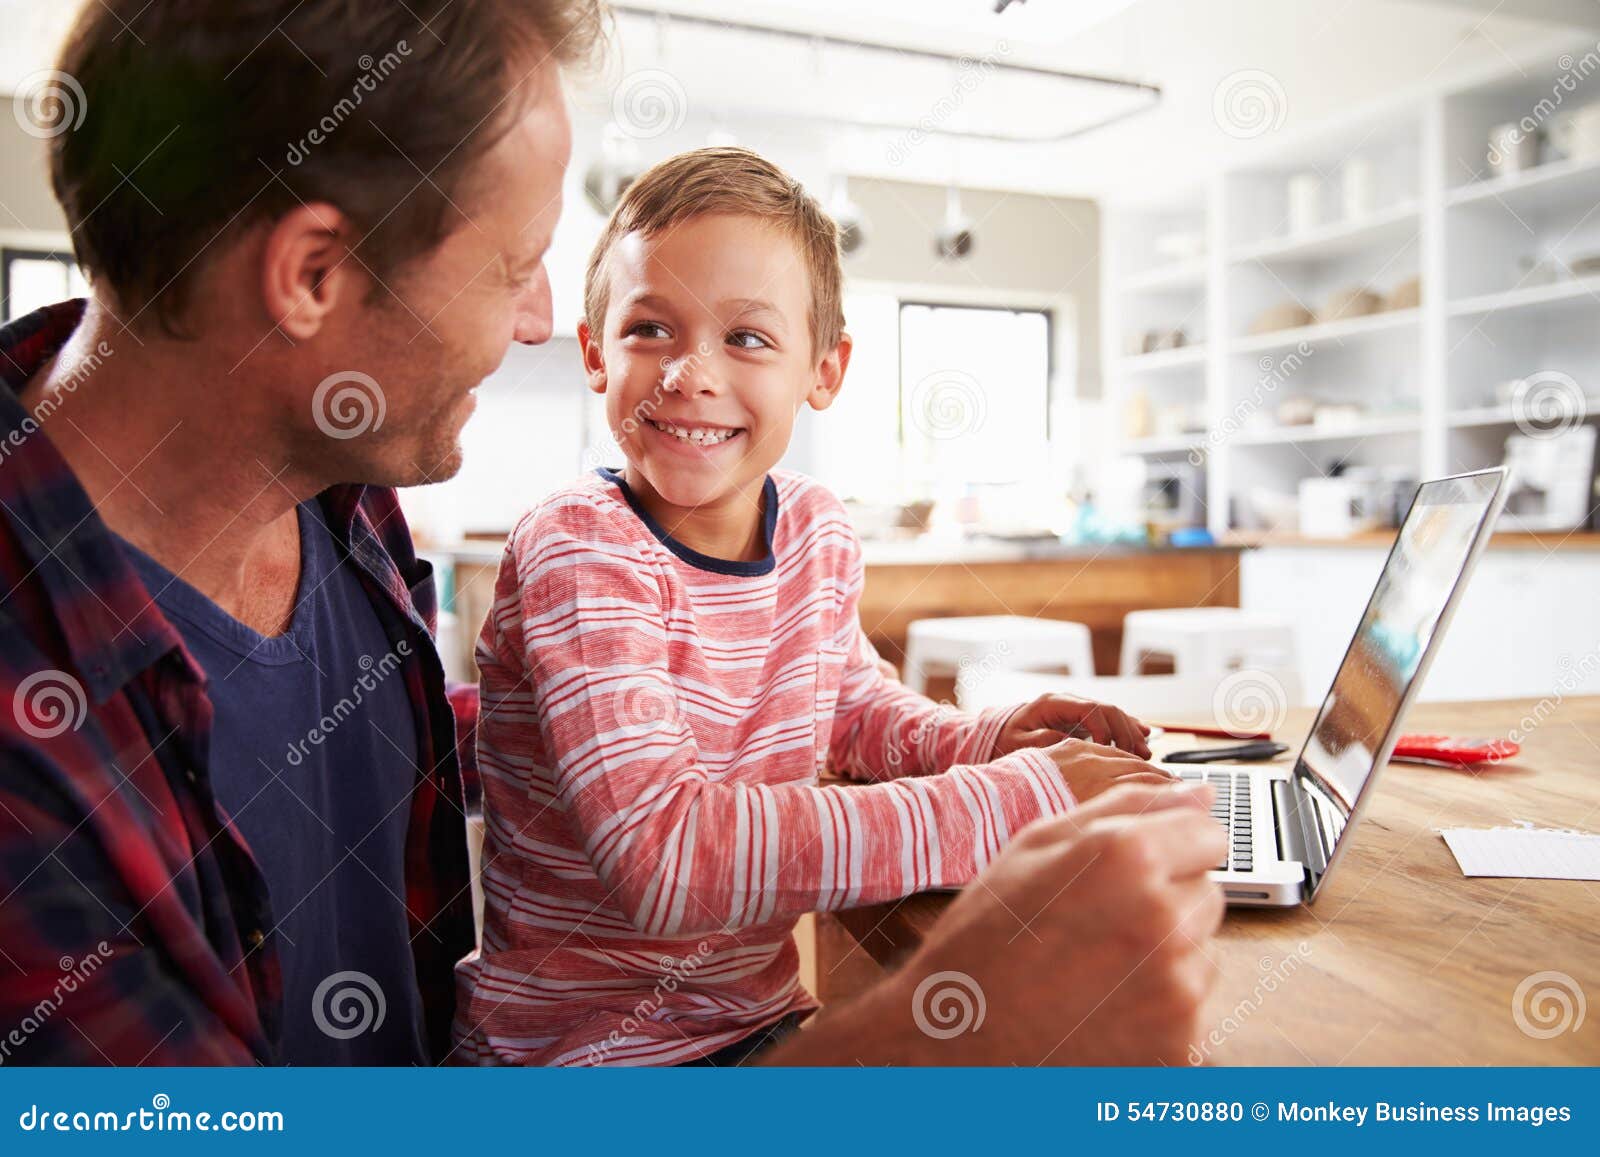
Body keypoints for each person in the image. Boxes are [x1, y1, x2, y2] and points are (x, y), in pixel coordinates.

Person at [0, 0, 1225, 1067]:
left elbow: (725, 708)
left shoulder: (328, 488)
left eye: (749, 338)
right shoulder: (30, 767)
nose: (543, 323)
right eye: (520, 266)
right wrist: (945, 1034)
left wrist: (979, 741)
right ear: (314, 275)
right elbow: (655, 839)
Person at [452, 146, 1177, 1066]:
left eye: (747, 339)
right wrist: (1014, 799)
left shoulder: (814, 529)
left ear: (823, 371)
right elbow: (665, 861)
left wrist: (985, 739)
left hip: (751, 1025)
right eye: (651, 329)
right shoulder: (581, 547)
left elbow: (847, 704)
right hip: (577, 1062)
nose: (690, 373)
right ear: (597, 353)